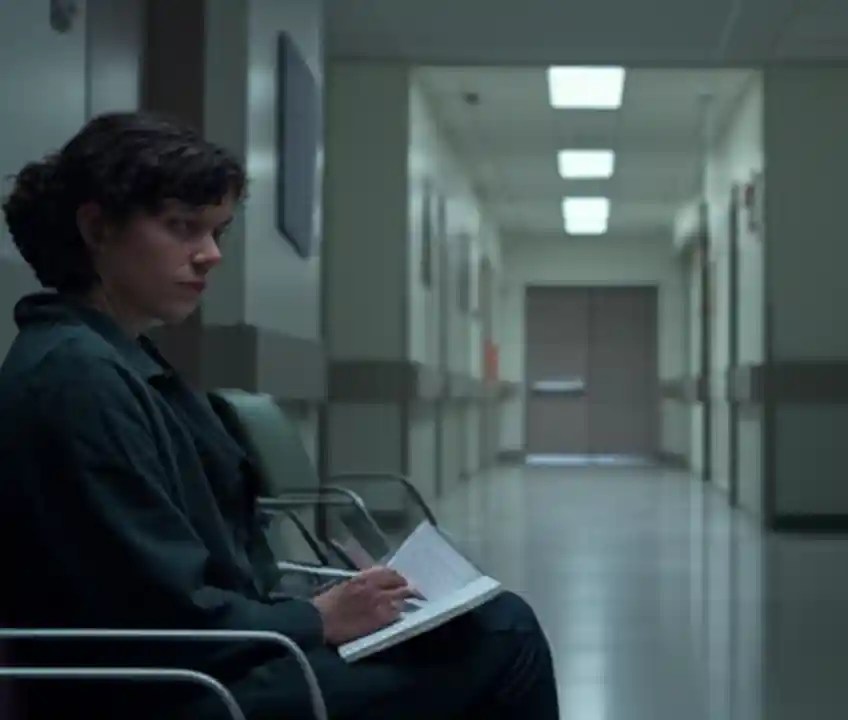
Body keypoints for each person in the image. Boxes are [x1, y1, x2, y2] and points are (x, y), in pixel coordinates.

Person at [0, 112, 559, 719]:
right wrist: (319, 616)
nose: (210, 255)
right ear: (97, 228)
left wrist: (325, 601)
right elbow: (158, 613)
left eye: (218, 231)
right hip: (175, 690)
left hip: (210, 658)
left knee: (484, 623)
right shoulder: (77, 381)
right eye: (183, 228)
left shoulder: (113, 360)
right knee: (505, 637)